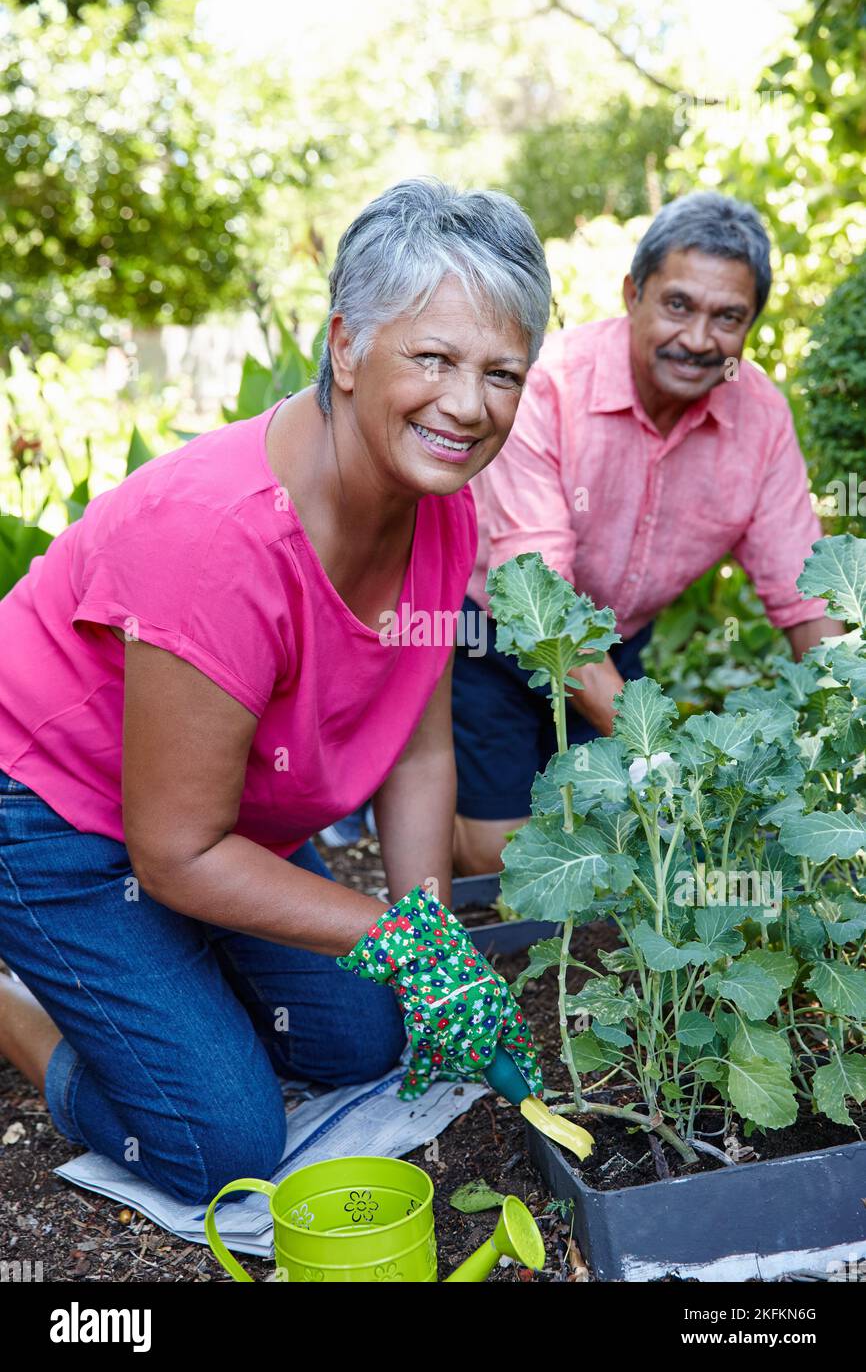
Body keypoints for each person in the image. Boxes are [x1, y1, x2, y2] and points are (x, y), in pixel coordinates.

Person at [0, 178, 550, 1204]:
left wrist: (424, 935)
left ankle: (159, 969)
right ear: (344, 346)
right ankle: (20, 1004)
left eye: (501, 373)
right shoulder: (216, 540)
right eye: (431, 358)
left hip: (218, 810)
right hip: (51, 809)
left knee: (365, 1036)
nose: (468, 405)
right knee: (220, 1148)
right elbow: (173, 849)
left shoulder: (441, 509)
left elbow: (421, 748)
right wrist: (387, 935)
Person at [452, 190, 844, 877]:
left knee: (623, 844)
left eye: (728, 318)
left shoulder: (760, 417)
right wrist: (654, 755)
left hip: (615, 642)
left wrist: (846, 723)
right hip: (494, 633)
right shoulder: (549, 385)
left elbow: (805, 598)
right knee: (504, 860)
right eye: (678, 306)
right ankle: (399, 776)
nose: (698, 340)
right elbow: (538, 604)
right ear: (633, 292)